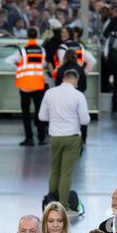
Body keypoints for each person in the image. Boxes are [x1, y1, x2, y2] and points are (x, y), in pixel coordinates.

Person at [42, 67, 91, 211]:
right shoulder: (78, 95)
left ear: (63, 78)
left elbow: (42, 117)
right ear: (75, 79)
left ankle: (50, 203)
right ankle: (63, 206)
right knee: (66, 174)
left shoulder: (50, 93)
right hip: (72, 138)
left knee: (54, 170)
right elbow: (85, 120)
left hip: (55, 138)